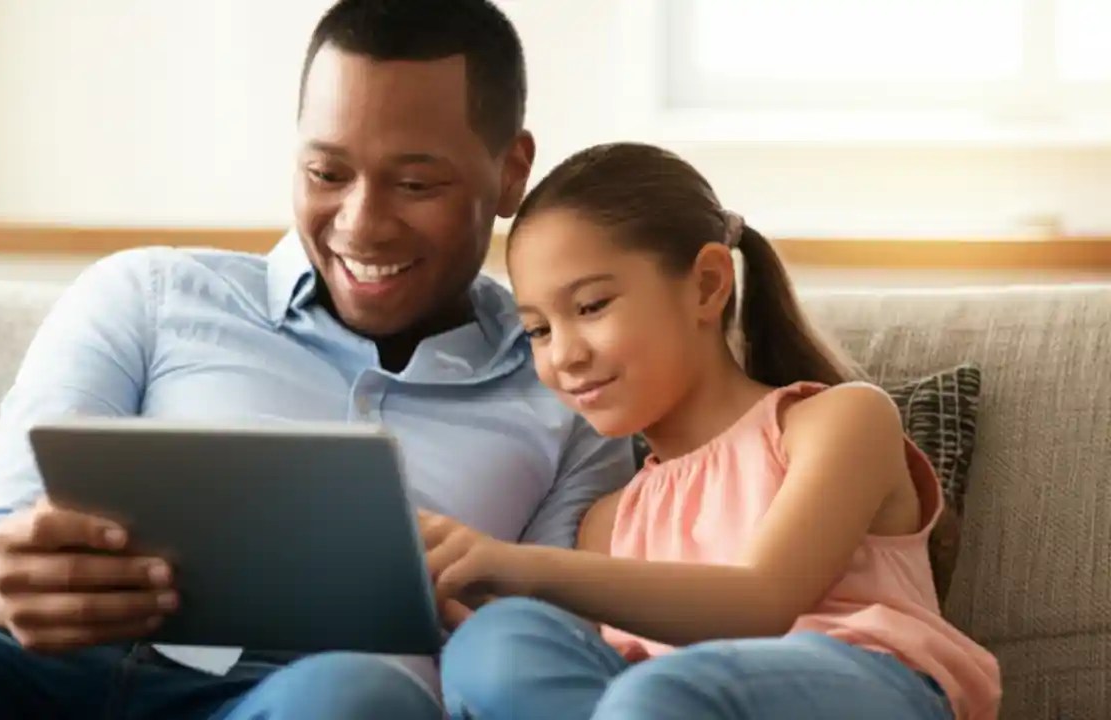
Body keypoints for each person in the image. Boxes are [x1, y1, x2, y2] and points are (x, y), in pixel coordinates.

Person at [0, 2, 632, 718]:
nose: (362, 224)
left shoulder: (571, 387)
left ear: (510, 171)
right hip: (38, 675)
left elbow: (545, 648)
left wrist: (466, 611)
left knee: (357, 695)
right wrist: (1, 582)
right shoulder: (150, 294)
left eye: (415, 184)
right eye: (326, 173)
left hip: (301, 698)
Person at [422, 142, 1003, 720]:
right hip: (657, 700)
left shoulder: (840, 422)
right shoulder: (609, 522)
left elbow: (760, 603)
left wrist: (522, 565)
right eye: (538, 330)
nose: (565, 355)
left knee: (658, 692)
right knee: (493, 646)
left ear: (706, 284)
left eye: (592, 305)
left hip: (868, 687)